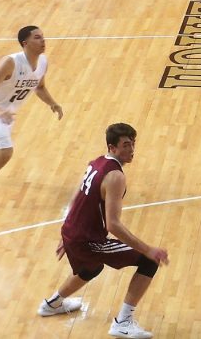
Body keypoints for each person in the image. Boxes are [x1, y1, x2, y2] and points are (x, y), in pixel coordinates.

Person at [38, 123, 169, 339]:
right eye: (126, 145)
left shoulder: (96, 162)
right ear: (112, 147)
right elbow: (113, 225)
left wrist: (67, 231)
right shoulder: (115, 176)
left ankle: (52, 305)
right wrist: (148, 249)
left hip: (73, 232)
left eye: (133, 143)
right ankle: (123, 323)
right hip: (86, 239)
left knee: (92, 267)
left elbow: (77, 196)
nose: (132, 149)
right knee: (149, 261)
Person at [0, 26, 63, 211]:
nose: (43, 40)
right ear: (25, 43)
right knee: (4, 152)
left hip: (5, 113)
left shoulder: (42, 62)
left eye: (43, 37)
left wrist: (53, 103)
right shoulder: (11, 62)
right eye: (37, 37)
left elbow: (39, 87)